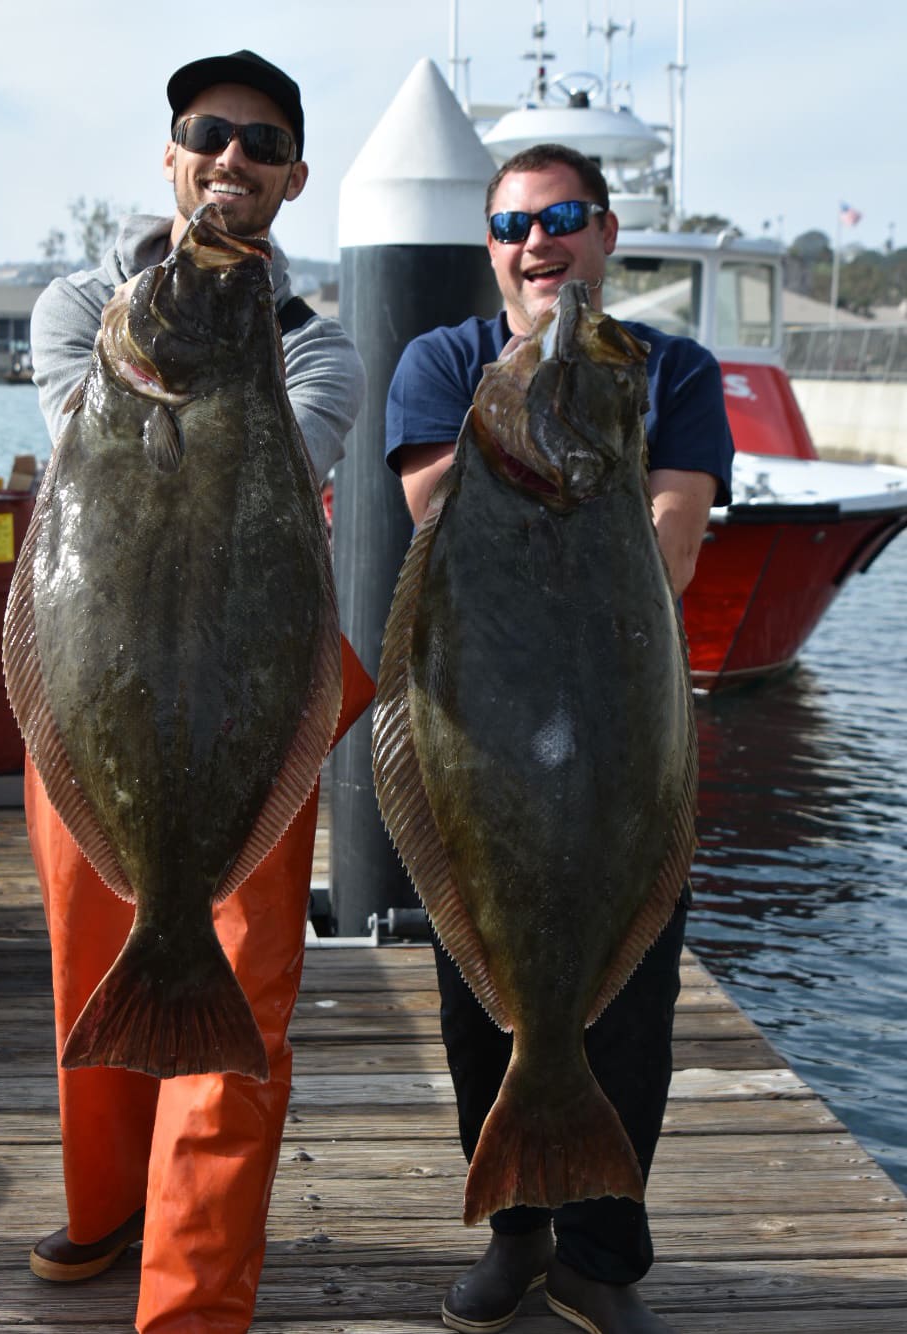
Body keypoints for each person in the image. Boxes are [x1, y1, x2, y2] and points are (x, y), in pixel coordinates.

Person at [24, 50, 373, 1334]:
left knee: (238, 1010)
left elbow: (279, 459)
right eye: (209, 133)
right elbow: (91, 452)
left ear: (291, 178)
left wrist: (208, 344)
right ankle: (109, 1197)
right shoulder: (75, 307)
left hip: (246, 705)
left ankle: (192, 1299)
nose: (233, 158)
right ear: (171, 153)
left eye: (262, 144)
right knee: (88, 961)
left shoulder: (319, 353)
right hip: (95, 679)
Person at [385, 143, 734, 1334]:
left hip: (623, 742)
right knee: (479, 999)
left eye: (566, 216)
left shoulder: (670, 369)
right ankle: (514, 1235)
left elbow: (675, 535)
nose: (541, 242)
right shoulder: (444, 361)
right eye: (514, 225)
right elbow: (437, 505)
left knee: (628, 1012)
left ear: (607, 231)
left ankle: (602, 1255)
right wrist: (535, 401)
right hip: (478, 738)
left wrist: (577, 405)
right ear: (491, 246)